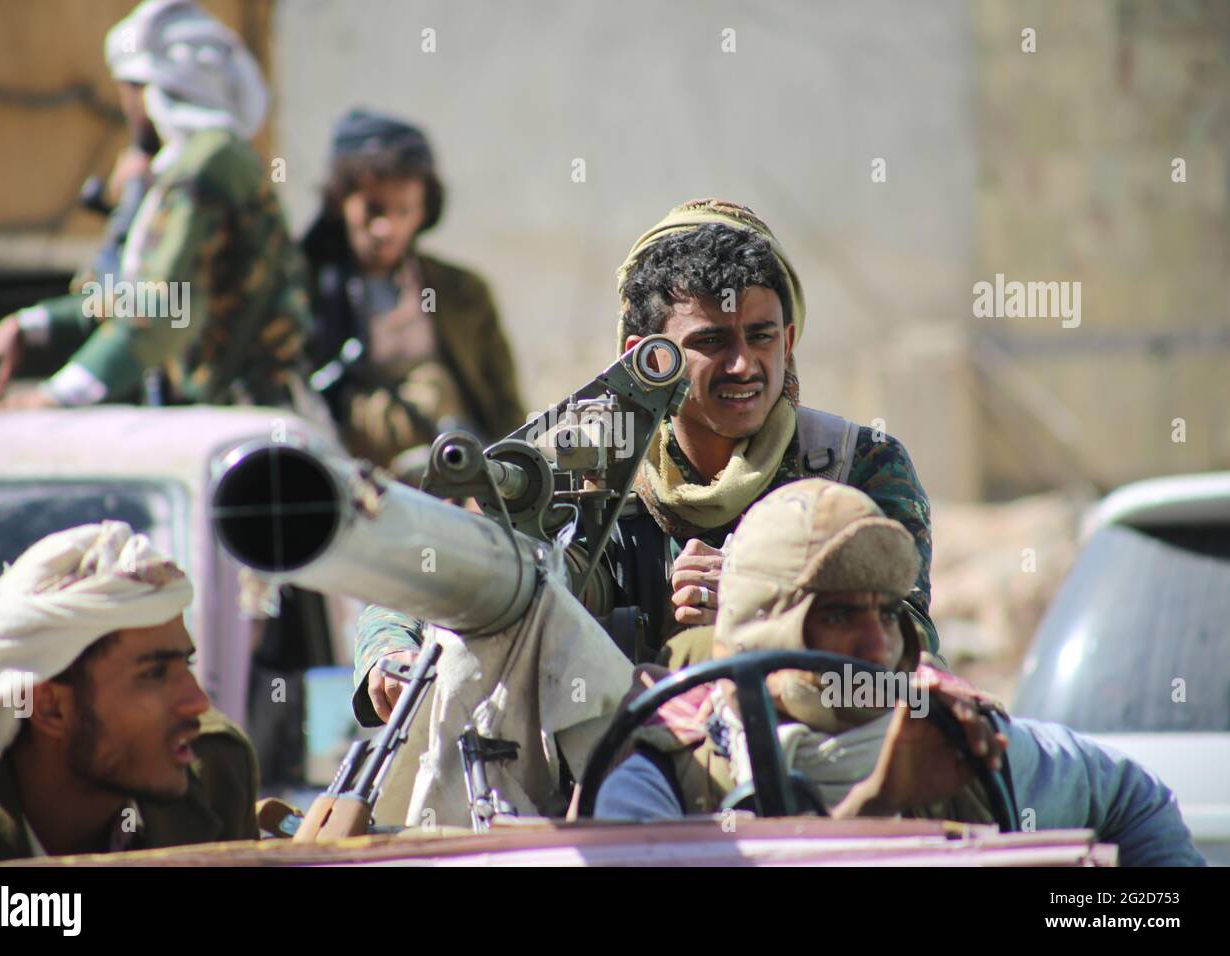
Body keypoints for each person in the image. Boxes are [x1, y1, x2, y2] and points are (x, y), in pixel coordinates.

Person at [353, 198, 938, 724]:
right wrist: (389, 653)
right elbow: (442, 573)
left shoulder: (854, 468)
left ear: (788, 341)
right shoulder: (575, 463)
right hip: (603, 774)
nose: (743, 366)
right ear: (647, 358)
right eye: (711, 342)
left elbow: (911, 646)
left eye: (760, 337)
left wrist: (768, 602)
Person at [593, 479, 1205, 868]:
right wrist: (877, 804)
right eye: (836, 613)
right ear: (763, 629)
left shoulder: (957, 749)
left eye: (886, 611)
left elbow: (1133, 798)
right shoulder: (671, 769)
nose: (875, 642)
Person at [0, 0, 314, 412]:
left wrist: (54, 399)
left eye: (126, 90)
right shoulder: (189, 164)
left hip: (248, 432)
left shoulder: (212, 161)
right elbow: (133, 294)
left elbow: (167, 306)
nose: (125, 109)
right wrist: (28, 326)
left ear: (146, 89)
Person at [0, 522, 259, 864]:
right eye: (154, 674)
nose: (198, 702)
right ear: (50, 708)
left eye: (186, 666)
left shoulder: (213, 774)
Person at [302, 108, 525, 477]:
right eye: (372, 210)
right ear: (341, 202)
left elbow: (505, 408)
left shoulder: (464, 295)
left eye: (402, 211)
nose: (384, 228)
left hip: (458, 481)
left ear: (423, 212)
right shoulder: (305, 292)